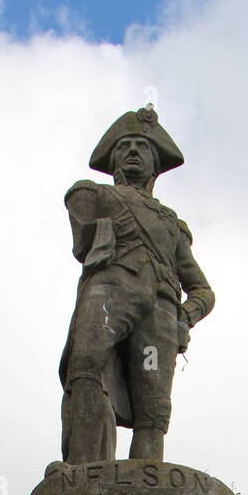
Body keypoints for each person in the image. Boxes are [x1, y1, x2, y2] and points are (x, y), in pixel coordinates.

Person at [59, 106, 215, 464]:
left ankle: (148, 479)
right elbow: (83, 242)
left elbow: (203, 290)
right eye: (124, 146)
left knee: (153, 407)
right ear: (112, 160)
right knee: (86, 366)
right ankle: (82, 468)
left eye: (141, 147)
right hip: (109, 293)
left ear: (155, 163)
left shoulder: (171, 224)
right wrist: (82, 196)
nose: (132, 152)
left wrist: (184, 318)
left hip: (160, 311)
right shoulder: (97, 195)